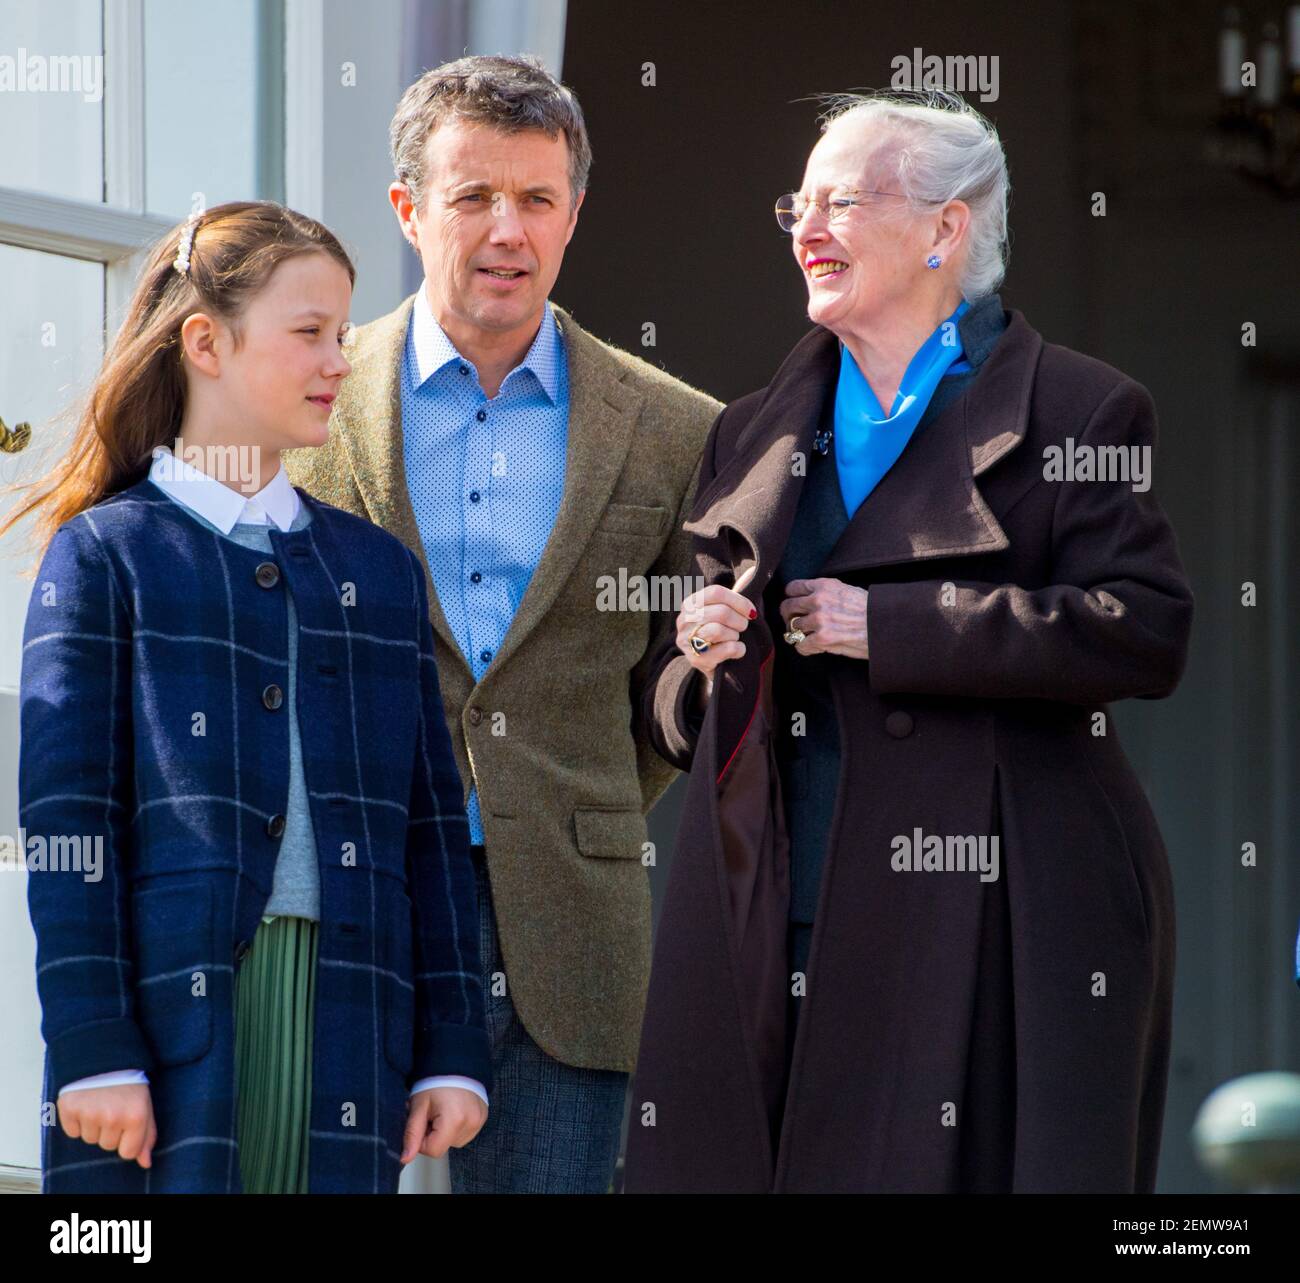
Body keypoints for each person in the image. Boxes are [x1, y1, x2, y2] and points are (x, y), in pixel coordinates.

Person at [623, 89, 1194, 1193]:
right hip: (776, 890)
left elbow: (1143, 627)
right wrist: (696, 659)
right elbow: (674, 699)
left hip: (995, 896)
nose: (807, 226)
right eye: (799, 201)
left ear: (947, 229)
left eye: (844, 199)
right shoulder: (749, 427)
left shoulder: (1080, 408)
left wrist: (891, 625)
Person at [283, 55, 721, 1193]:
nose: (506, 230)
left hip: (571, 923)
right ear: (408, 209)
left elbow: (680, 686)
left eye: (536, 198)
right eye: (472, 195)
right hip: (341, 891)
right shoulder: (302, 402)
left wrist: (575, 792)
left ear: (573, 211)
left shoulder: (679, 430)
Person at [7, 200, 489, 1193]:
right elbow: (67, 826)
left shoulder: (381, 570)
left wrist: (450, 1045)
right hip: (168, 1021)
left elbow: (432, 830)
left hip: (352, 1013)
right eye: (307, 333)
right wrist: (92, 1041)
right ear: (205, 342)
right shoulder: (104, 552)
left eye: (342, 336)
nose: (336, 362)